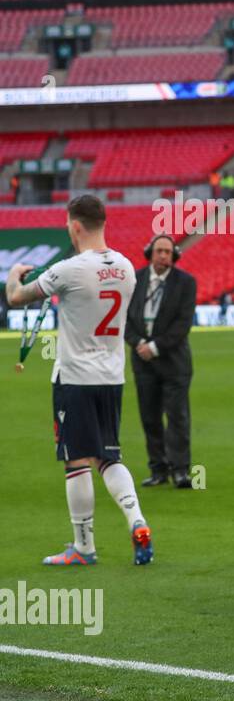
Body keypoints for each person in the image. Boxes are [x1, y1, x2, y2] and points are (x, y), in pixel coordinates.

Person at [6, 194, 154, 568]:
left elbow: (17, 297)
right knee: (108, 454)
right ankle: (137, 519)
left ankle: (83, 546)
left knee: (75, 460)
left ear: (74, 226)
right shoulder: (126, 267)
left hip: (74, 378)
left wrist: (14, 274)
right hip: (112, 376)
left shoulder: (68, 269)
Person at [124, 233, 197, 489]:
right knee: (150, 417)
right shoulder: (134, 279)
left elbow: (183, 324)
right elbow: (125, 319)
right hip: (142, 362)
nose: (164, 255)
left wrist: (154, 347)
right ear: (150, 253)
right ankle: (158, 469)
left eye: (168, 251)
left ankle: (180, 470)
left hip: (174, 363)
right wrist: (138, 343)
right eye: (159, 251)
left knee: (177, 417)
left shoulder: (186, 283)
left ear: (174, 255)